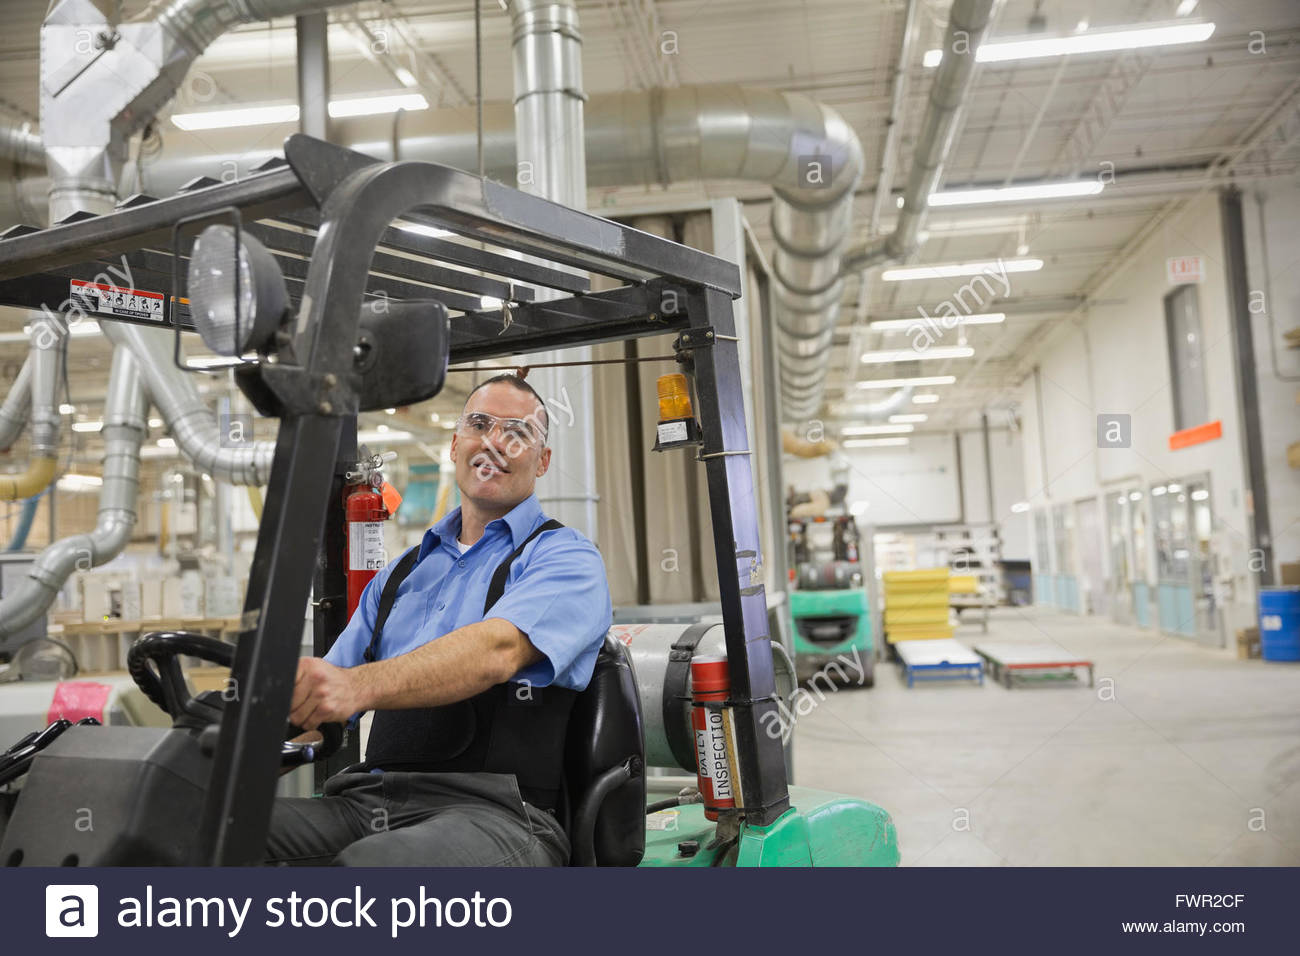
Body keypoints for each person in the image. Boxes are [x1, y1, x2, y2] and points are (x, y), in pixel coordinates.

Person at [265, 374, 612, 866]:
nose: (494, 440)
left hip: (498, 814)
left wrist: (355, 686)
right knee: (200, 831)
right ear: (455, 445)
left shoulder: (565, 557)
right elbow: (321, 708)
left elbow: (498, 651)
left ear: (542, 461)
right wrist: (219, 762)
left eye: (517, 431)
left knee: (376, 869)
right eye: (479, 424)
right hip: (369, 801)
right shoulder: (399, 576)